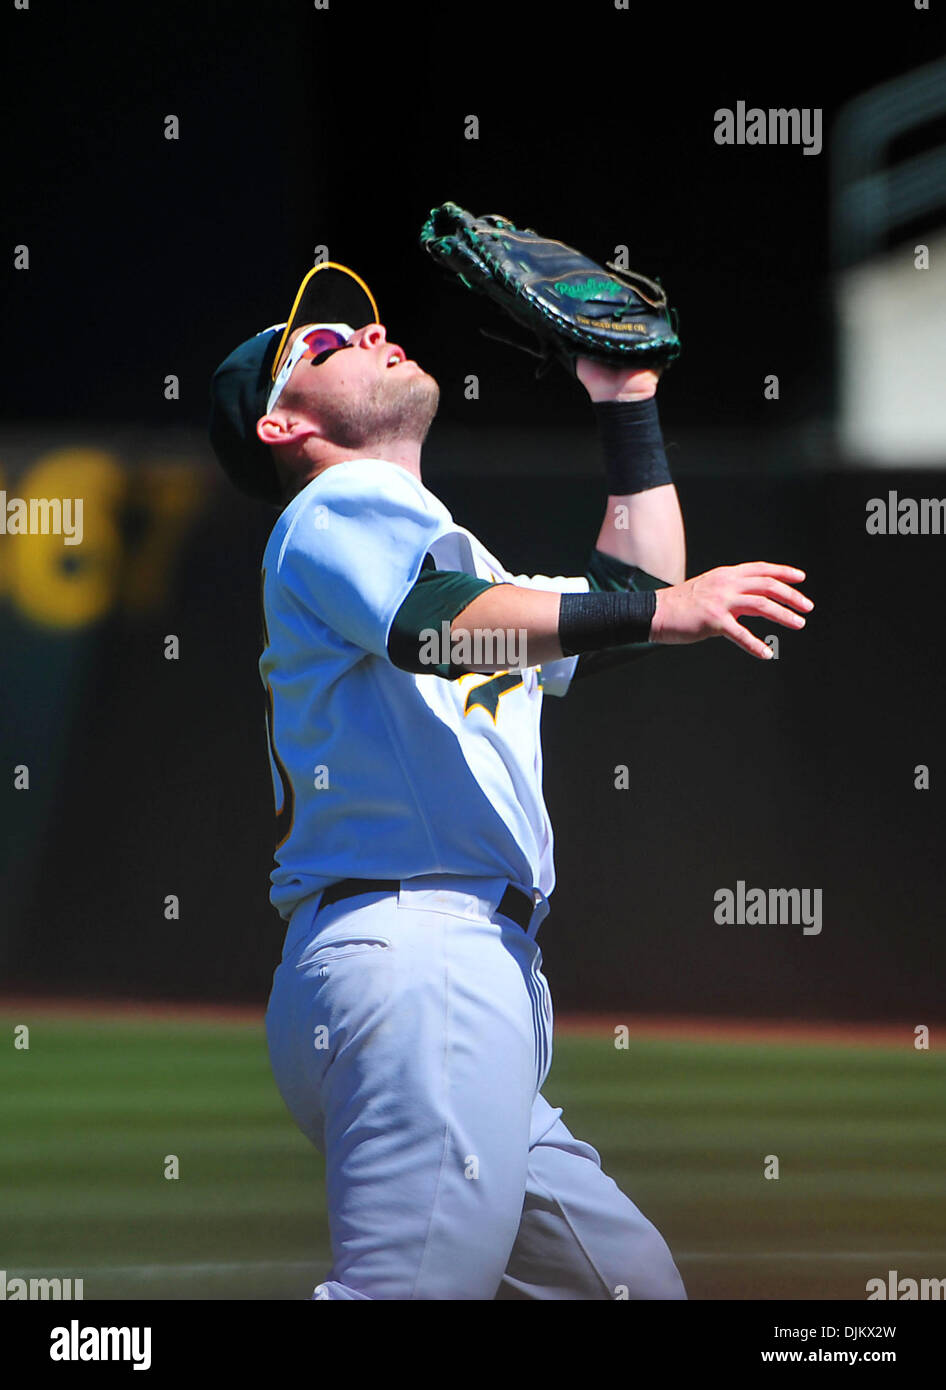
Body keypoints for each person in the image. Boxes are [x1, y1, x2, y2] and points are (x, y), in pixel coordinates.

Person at [209, 262, 812, 1300]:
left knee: (625, 1287)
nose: (368, 330)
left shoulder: (437, 553)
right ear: (281, 427)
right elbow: (432, 625)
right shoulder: (334, 509)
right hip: (418, 959)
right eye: (326, 341)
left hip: (443, 969)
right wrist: (658, 613)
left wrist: (627, 406)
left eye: (364, 319)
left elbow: (631, 595)